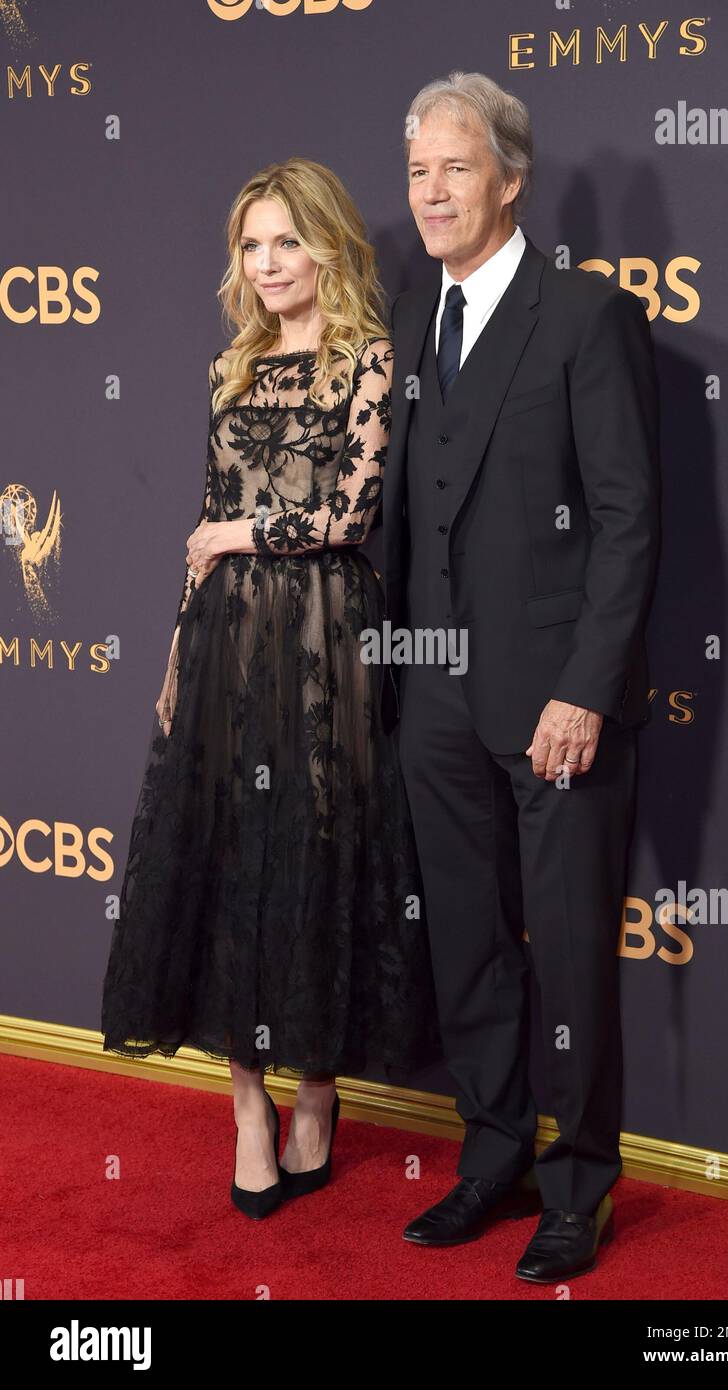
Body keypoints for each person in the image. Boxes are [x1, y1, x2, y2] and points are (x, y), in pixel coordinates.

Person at [101, 158, 440, 1221]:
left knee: (318, 853)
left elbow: (351, 514)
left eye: (286, 241)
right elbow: (202, 531)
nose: (267, 264)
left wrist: (238, 533)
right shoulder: (231, 367)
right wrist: (171, 654)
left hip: (326, 640)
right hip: (223, 642)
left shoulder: (367, 362)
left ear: (329, 246)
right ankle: (248, 1108)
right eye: (251, 246)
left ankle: (316, 1091)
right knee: (226, 856)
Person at [382, 73, 661, 1282]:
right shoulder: (407, 318)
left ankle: (578, 1185)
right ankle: (490, 1153)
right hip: (432, 694)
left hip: (556, 701)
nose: (432, 193)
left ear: (509, 178)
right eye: (417, 174)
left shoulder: (585, 316)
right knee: (469, 945)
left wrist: (588, 687)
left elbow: (629, 519)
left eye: (454, 169)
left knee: (571, 951)